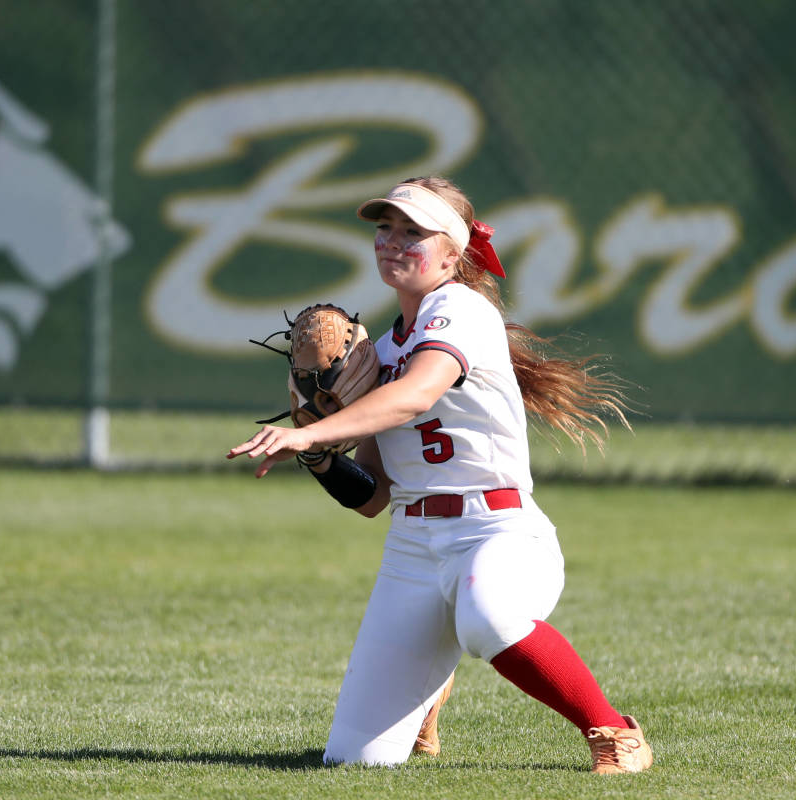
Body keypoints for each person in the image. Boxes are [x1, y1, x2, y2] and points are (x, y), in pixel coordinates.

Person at [227, 176, 652, 774]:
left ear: (452, 255)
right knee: (356, 763)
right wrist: (319, 458)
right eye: (385, 228)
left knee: (489, 618)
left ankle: (611, 730)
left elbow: (416, 394)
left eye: (414, 232)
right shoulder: (377, 351)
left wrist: (311, 430)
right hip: (413, 547)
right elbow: (374, 496)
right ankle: (428, 692)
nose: (393, 242)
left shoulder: (461, 310)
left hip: (497, 532)